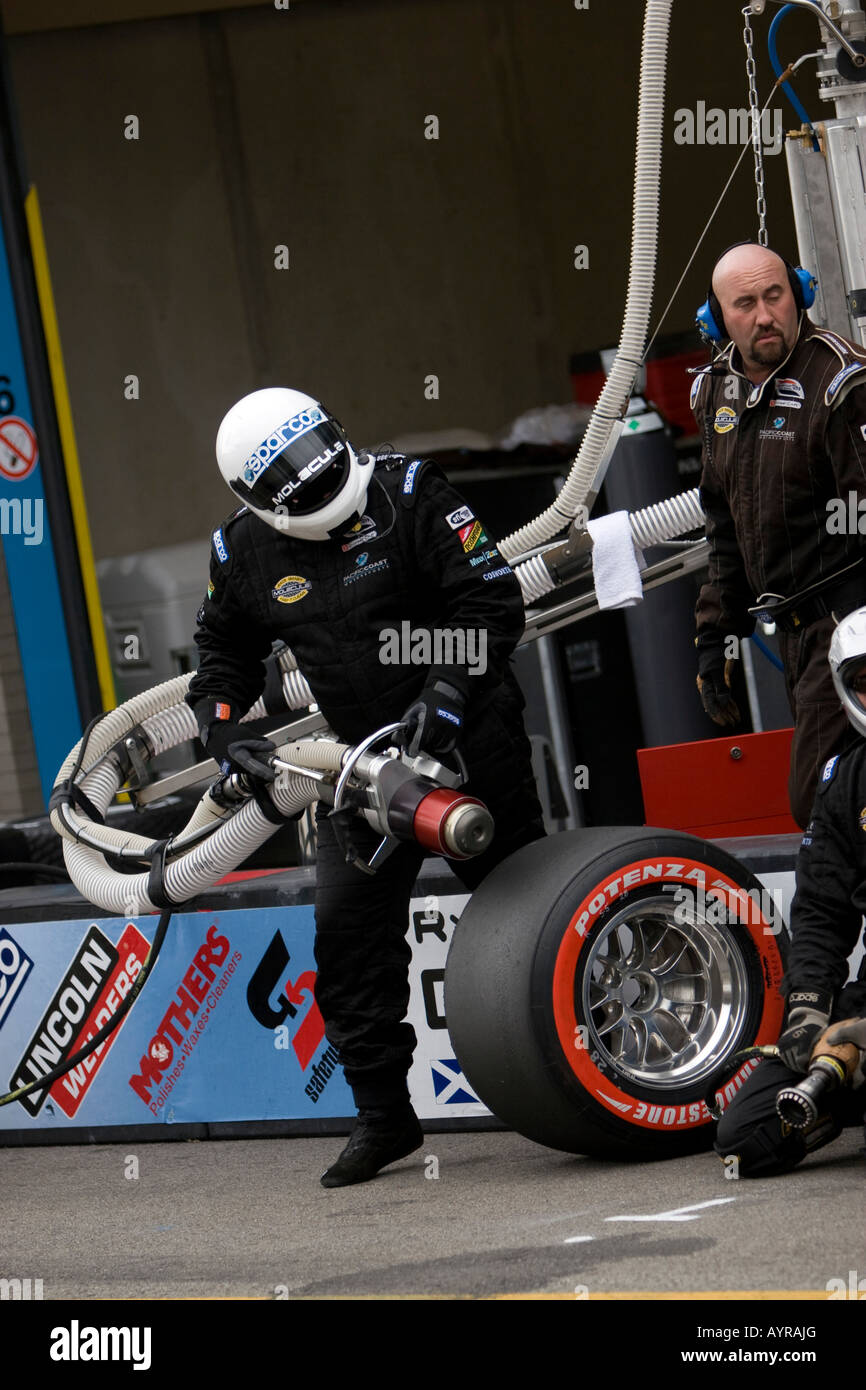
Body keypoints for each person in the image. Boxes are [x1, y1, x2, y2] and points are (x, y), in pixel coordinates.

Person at [186, 386, 545, 1187]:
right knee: (346, 939)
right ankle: (384, 1117)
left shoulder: (410, 489)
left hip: (467, 739)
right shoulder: (239, 550)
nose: (317, 479)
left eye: (318, 457)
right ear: (256, 498)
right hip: (358, 766)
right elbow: (221, 655)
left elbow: (491, 600)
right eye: (293, 478)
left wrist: (446, 692)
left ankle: (581, 1061)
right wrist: (222, 729)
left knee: (529, 909)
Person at [691, 241, 866, 826]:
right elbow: (724, 526)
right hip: (794, 636)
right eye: (746, 304)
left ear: (800, 294)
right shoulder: (715, 391)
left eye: (775, 296)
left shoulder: (842, 380)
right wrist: (715, 638)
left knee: (821, 806)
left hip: (850, 627)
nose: (765, 316)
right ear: (718, 319)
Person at [714, 606, 866, 1175]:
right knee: (746, 1137)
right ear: (845, 693)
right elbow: (822, 914)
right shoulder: (844, 779)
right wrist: (807, 1013)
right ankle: (840, 1098)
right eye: (865, 681)